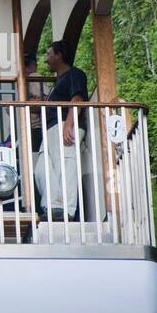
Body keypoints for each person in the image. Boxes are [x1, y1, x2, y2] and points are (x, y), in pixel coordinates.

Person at [33, 39, 88, 221]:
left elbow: (77, 99)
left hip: (65, 123)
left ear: (59, 55)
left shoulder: (74, 74)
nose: (46, 58)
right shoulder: (57, 83)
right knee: (42, 169)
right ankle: (54, 206)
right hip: (51, 128)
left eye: (49, 54)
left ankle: (68, 209)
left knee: (66, 164)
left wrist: (68, 124)